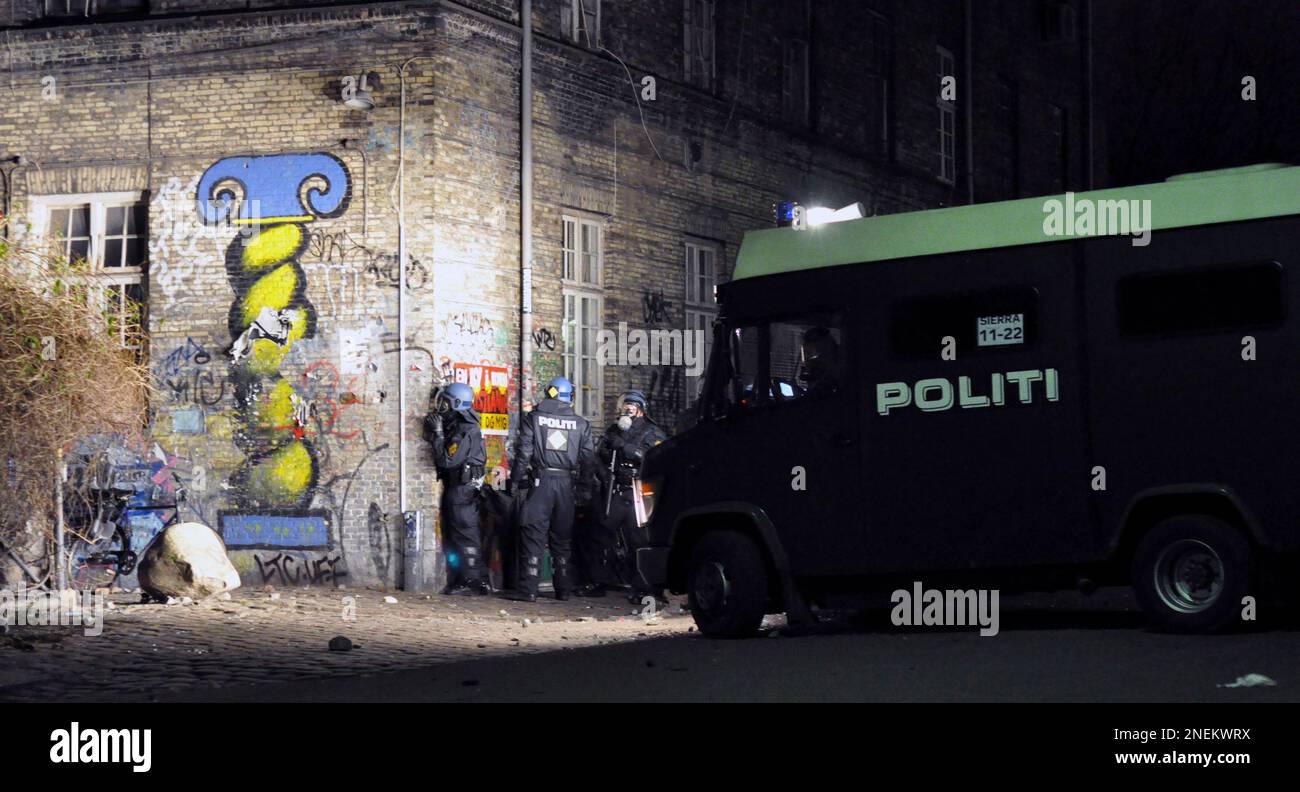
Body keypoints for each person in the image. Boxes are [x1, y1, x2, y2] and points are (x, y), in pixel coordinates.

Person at [503, 377, 596, 602]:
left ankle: (529, 590)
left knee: (532, 534)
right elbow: (588, 460)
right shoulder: (581, 424)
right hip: (566, 484)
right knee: (562, 539)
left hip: (541, 482)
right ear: (568, 396)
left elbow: (524, 453)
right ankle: (563, 589)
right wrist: (584, 489)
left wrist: (514, 482)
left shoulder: (533, 418)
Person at [576, 390, 667, 603]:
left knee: (639, 542)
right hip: (615, 491)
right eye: (625, 405)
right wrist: (604, 475)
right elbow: (596, 458)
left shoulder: (652, 432)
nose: (627, 409)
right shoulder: (613, 431)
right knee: (599, 536)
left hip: (638, 493)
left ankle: (644, 588)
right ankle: (597, 581)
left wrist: (626, 447)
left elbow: (657, 458)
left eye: (632, 406)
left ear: (641, 410)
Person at [425, 382, 491, 596]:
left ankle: (474, 581)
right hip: (458, 487)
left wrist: (438, 434)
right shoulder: (460, 425)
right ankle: (464, 578)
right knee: (456, 534)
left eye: (445, 402)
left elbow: (447, 460)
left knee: (465, 534)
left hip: (462, 489)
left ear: (455, 404)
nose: (442, 406)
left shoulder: (465, 430)